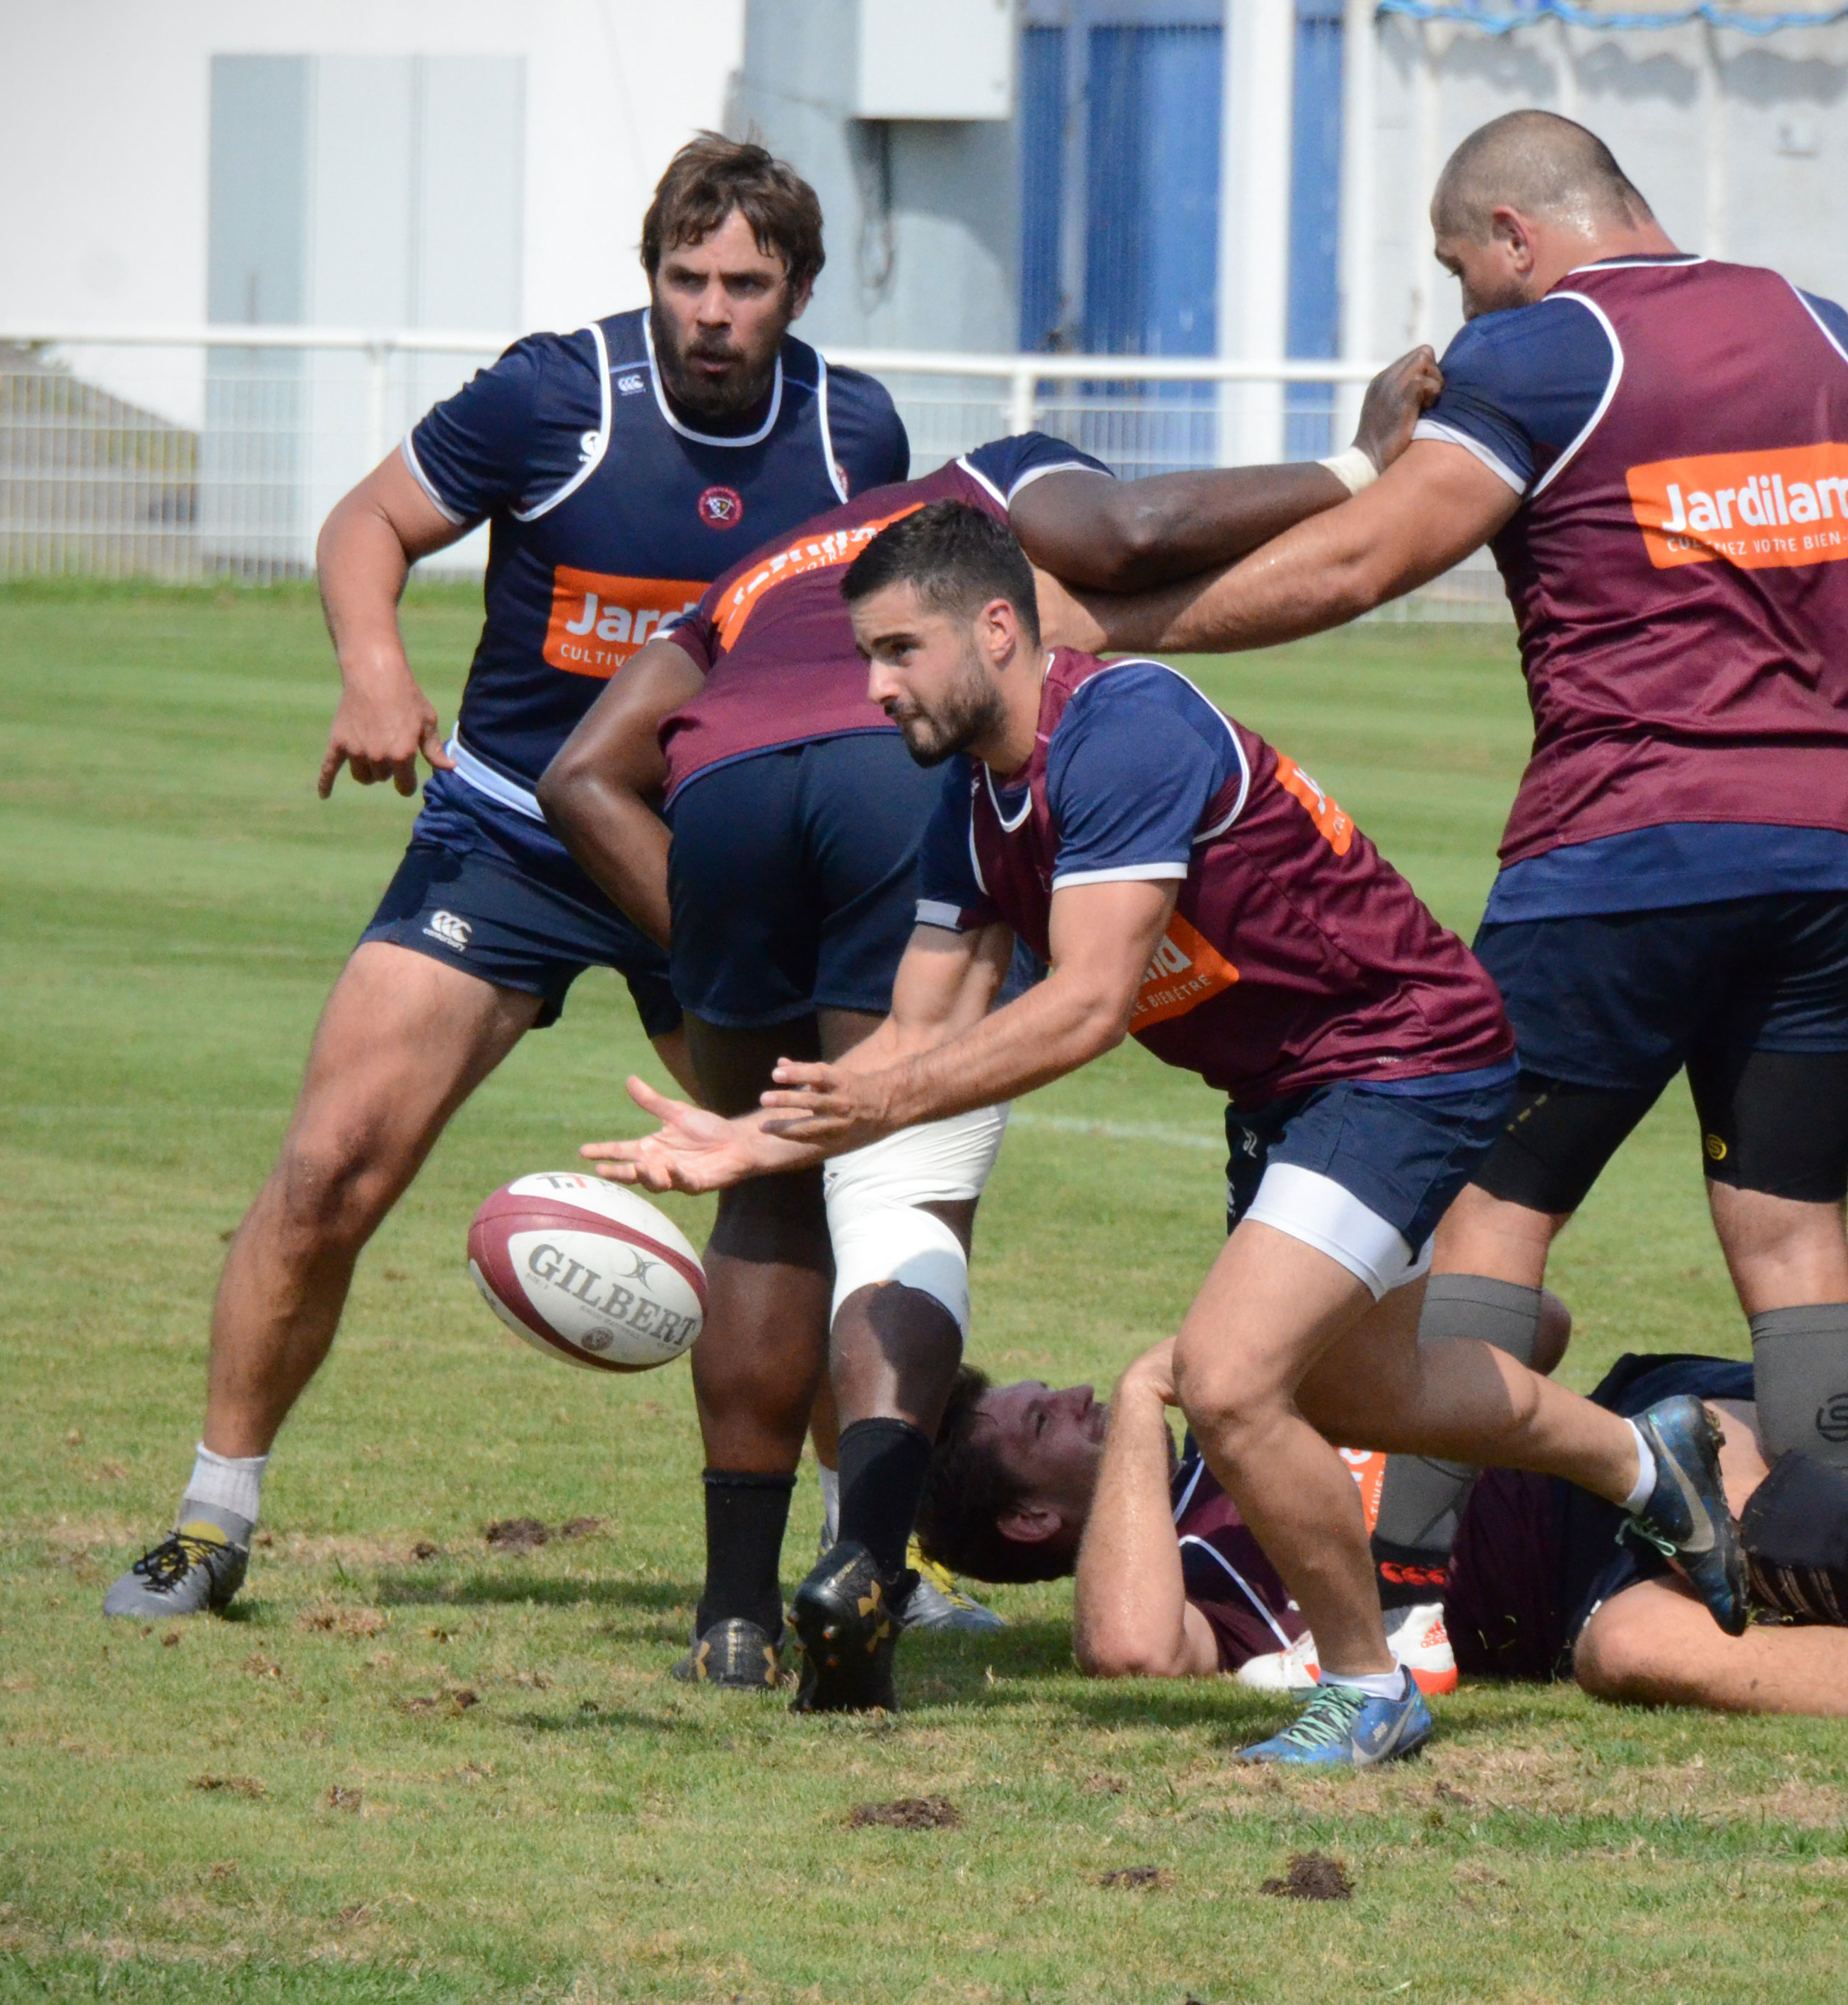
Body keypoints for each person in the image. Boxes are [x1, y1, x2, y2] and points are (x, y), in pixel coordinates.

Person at [587, 501, 1750, 1764]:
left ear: (995, 629)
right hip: (1288, 1093)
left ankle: (1370, 1691)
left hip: (1398, 1057)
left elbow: (1086, 1005)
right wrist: (754, 1145)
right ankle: (1644, 1462)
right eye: (867, 655)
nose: (874, 688)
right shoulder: (970, 804)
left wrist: (866, 1106)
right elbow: (911, 1039)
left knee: (1230, 1381)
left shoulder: (1127, 728)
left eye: (898, 650)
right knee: (1366, 1390)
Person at [1064, 112, 1848, 1589]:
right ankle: (1840, 1553)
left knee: (1491, 1210)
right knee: (1791, 1228)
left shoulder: (1547, 348)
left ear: (1514, 233)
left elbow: (1363, 557)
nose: (1461, 307)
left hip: (1618, 856)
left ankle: (1420, 1575)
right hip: (1820, 853)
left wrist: (1111, 628)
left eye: (1459, 268)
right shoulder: (1835, 339)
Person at [536, 363, 1444, 1701]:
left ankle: (734, 1615)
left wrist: (741, 993)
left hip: (713, 784)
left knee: (776, 1219)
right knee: (912, 1202)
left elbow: (576, 771)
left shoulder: (767, 576)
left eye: (897, 652)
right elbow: (1137, 531)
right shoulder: (992, 514)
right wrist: (1357, 464)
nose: (875, 676)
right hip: (910, 816)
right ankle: (868, 1562)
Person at [103, 137, 904, 1619]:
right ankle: (212, 1519)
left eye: (744, 284)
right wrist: (373, 667)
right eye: (686, 277)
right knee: (329, 1165)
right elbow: (366, 522)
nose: (710, 310)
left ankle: (870, 1561)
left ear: (798, 290)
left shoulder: (852, 435)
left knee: (813, 1201)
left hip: (715, 859)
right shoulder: (554, 397)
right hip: (513, 836)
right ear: (651, 274)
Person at [918, 1328, 1848, 1748]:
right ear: (1032, 1519)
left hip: (1611, 1454)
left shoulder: (1250, 1404)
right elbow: (1129, 1651)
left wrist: (1306, 1351)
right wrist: (1144, 1391)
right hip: (1567, 1607)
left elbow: (1533, 1321)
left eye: (1061, 1391)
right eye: (1041, 1421)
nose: (1072, 1396)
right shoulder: (1190, 1567)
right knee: (1640, 1656)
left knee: (1736, 1508)